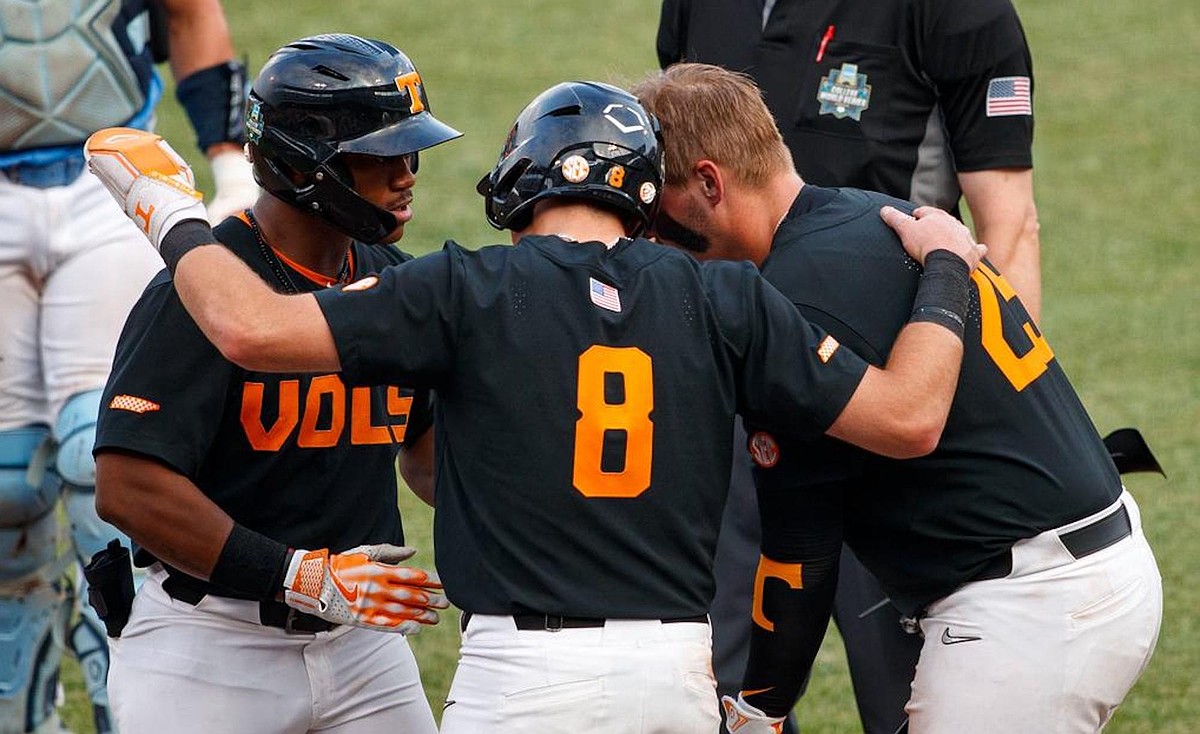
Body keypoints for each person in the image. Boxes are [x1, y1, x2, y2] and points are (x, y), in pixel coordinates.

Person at [84, 79, 984, 733]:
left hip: (523, 677)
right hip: (676, 675)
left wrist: (169, 211)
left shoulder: (460, 289)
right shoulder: (725, 297)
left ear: (527, 179)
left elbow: (248, 329)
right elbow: (907, 418)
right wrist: (946, 268)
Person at [633, 62, 1162, 734]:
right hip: (1075, 567)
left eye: (654, 212)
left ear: (709, 182)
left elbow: (802, 549)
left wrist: (757, 709)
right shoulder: (857, 216)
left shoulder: (792, 296)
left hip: (1032, 603)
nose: (646, 237)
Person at [657, 2, 1043, 729]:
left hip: (888, 407)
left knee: (913, 691)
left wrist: (1000, 406)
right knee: (727, 676)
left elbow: (1006, 221)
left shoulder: (955, 11)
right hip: (738, 391)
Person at [85, 35, 459, 734]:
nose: (409, 174)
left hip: (363, 648)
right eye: (385, 156)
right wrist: (299, 576)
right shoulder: (194, 295)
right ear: (306, 165)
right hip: (209, 649)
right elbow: (128, 487)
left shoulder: (397, 280)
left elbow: (429, 453)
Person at [0, 1, 258, 731]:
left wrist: (229, 161)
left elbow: (187, 11)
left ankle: (138, 708)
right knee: (6, 487)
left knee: (106, 459)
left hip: (107, 177)